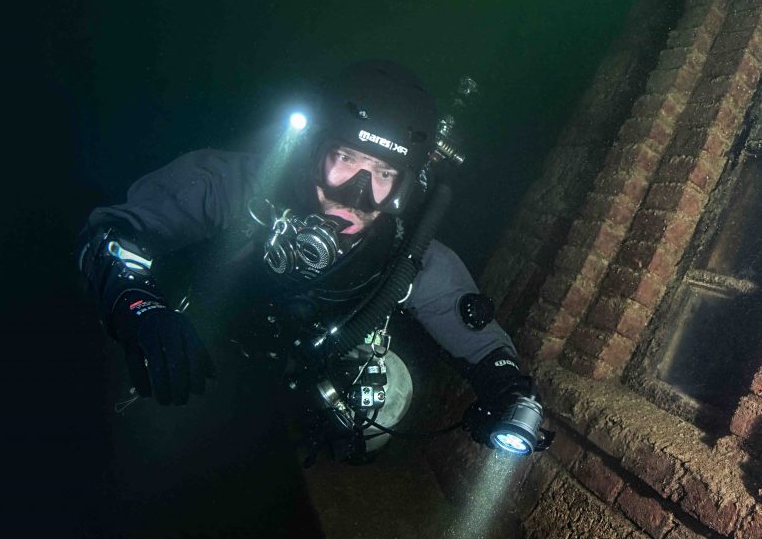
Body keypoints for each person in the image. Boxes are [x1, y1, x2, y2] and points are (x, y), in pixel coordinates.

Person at [77, 60, 548, 477]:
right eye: (345, 159)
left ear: (408, 185)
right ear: (314, 150)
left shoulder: (409, 258)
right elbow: (113, 235)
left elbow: (483, 344)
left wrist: (509, 393)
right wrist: (140, 307)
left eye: (384, 173)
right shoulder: (234, 185)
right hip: (194, 359)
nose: (358, 194)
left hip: (296, 396)